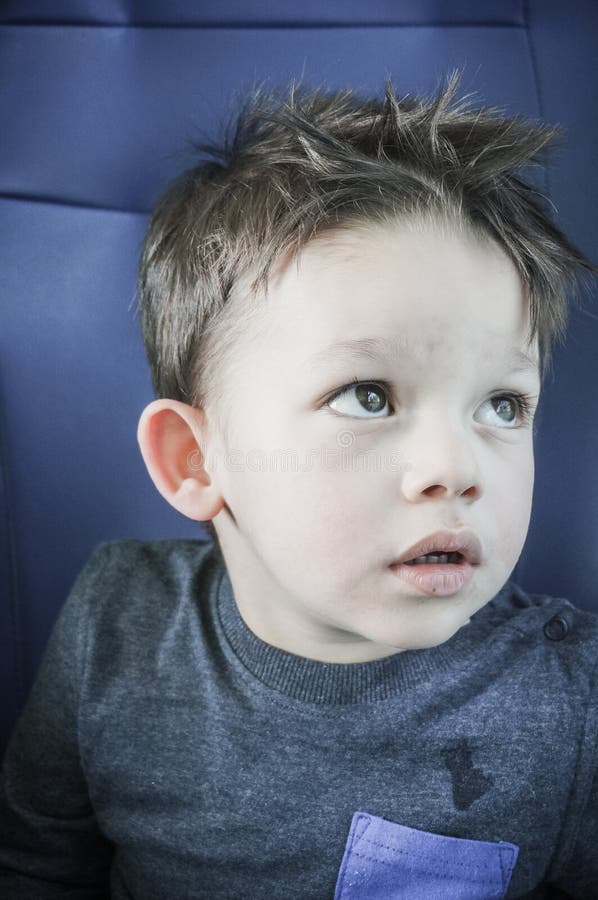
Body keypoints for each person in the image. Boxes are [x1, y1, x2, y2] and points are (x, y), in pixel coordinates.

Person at [1, 69, 597, 899]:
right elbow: (36, 868)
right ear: (195, 462)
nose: (457, 470)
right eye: (367, 396)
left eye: (503, 404)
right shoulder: (112, 629)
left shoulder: (573, 701)